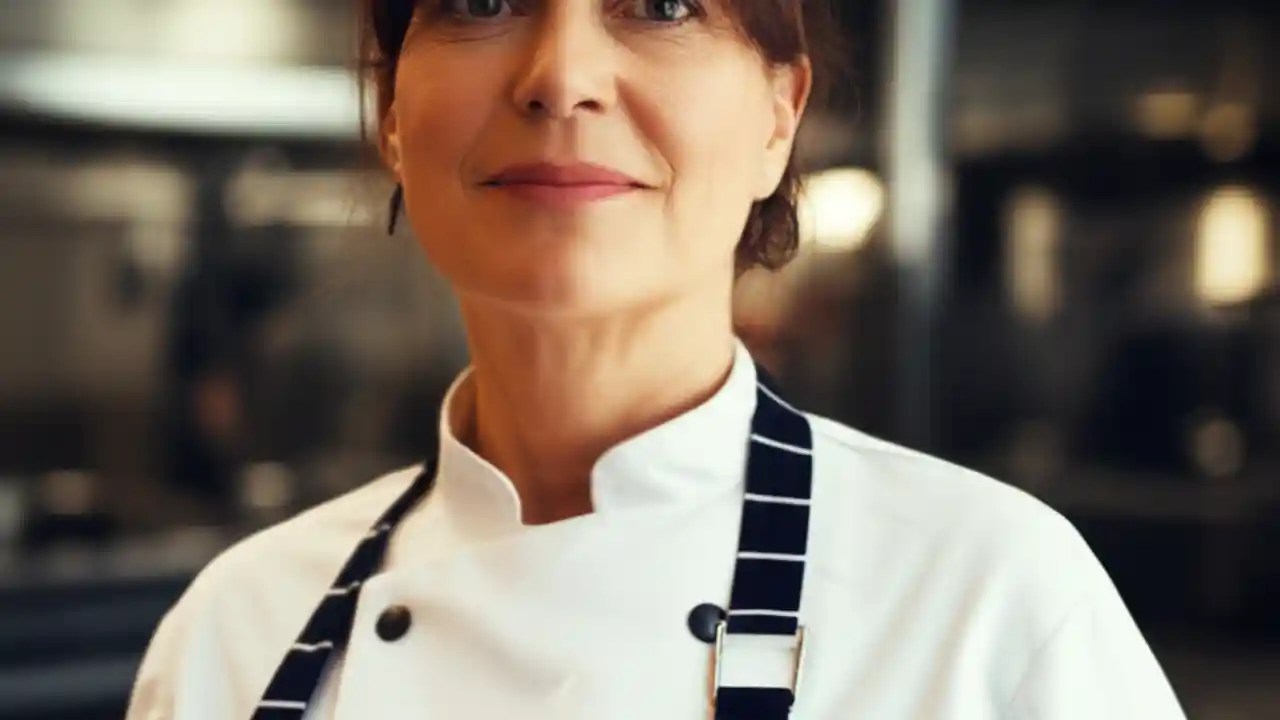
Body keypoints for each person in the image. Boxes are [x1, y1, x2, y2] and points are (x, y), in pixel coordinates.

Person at [126, 0, 1186, 717]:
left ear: (780, 115)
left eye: (664, 2)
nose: (560, 76)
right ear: (391, 113)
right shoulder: (234, 631)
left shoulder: (987, 602)